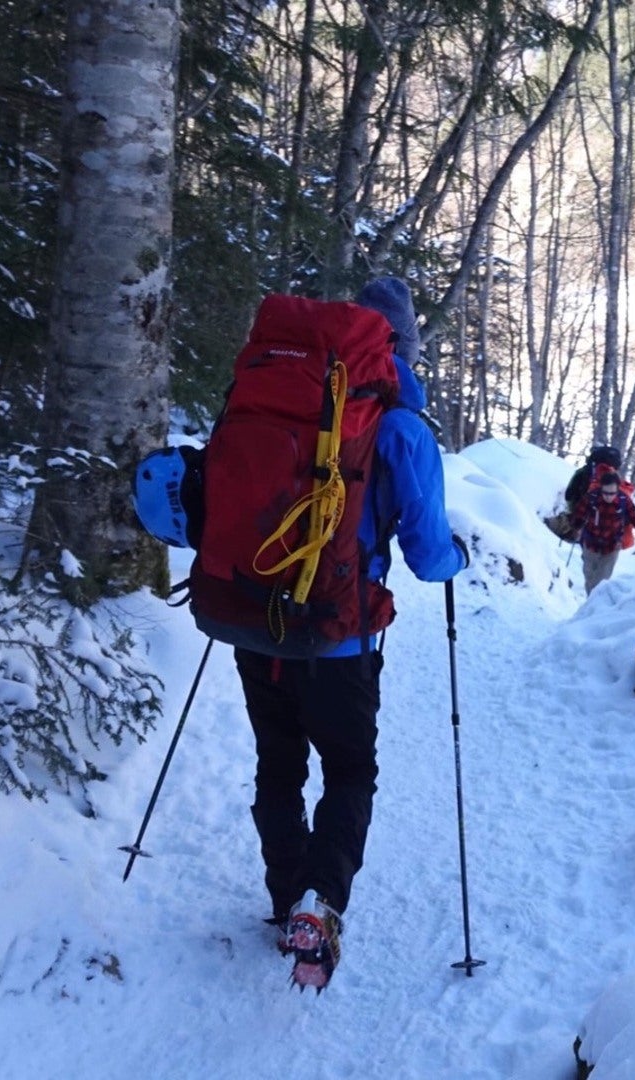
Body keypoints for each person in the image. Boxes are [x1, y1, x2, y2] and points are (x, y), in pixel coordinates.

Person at [235, 276, 466, 991]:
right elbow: (430, 557)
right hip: (340, 638)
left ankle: (286, 898)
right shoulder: (400, 427)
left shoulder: (276, 390)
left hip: (254, 621)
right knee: (348, 771)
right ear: (403, 349)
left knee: (279, 765)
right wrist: (459, 555)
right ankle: (320, 904)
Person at [563, 445, 635, 594]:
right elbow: (580, 513)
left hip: (610, 545)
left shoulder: (623, 500)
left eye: (612, 493)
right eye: (606, 493)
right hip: (591, 542)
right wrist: (576, 523)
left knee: (600, 581)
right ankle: (591, 606)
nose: (609, 496)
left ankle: (594, 607)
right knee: (590, 578)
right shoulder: (592, 496)